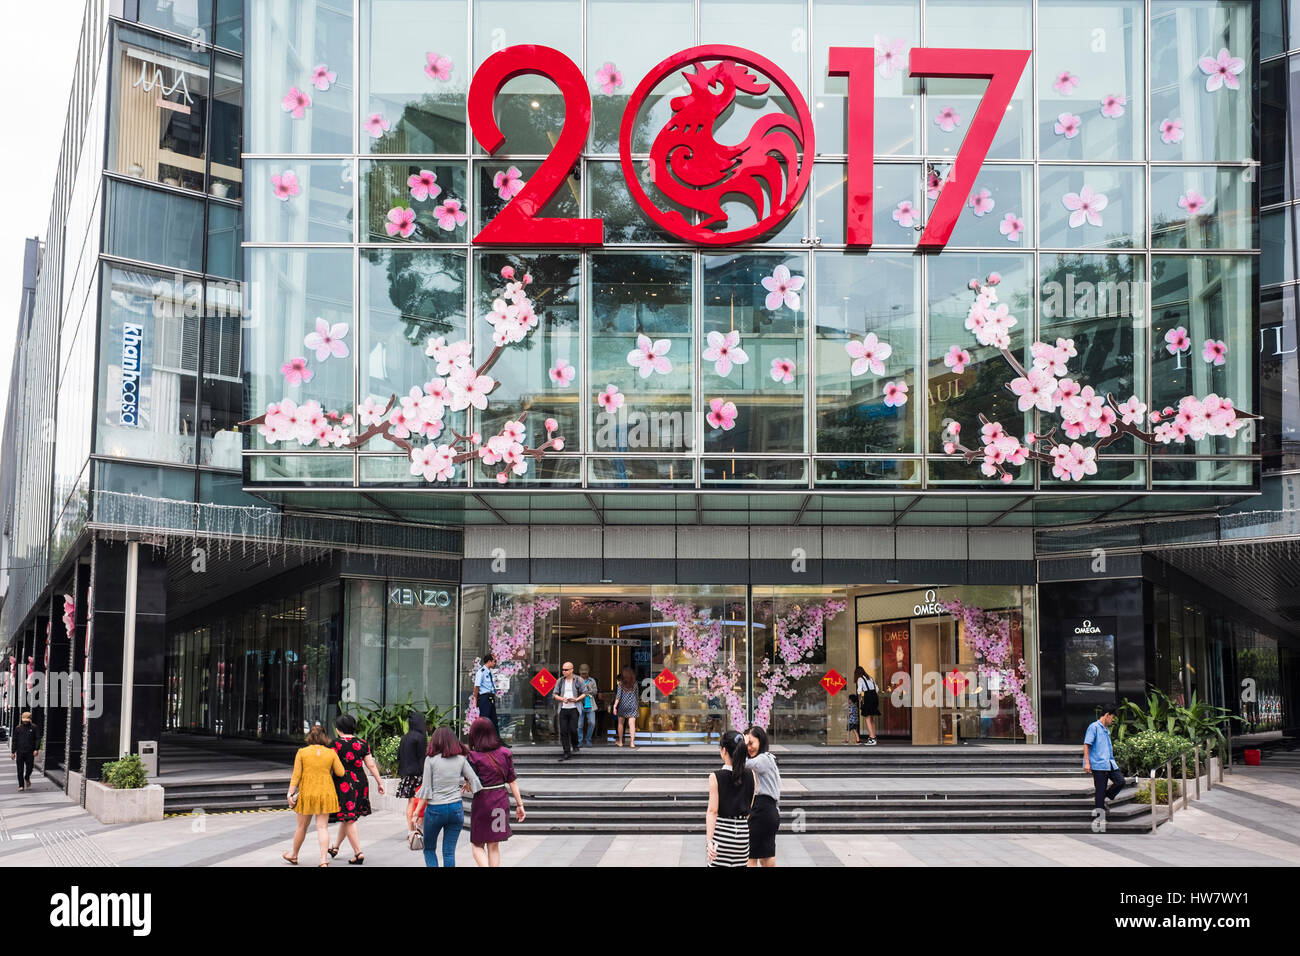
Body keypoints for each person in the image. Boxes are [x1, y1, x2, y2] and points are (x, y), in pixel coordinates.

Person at [415, 726, 481, 867]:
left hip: (435, 809)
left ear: (435, 741)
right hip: (455, 808)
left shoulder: (430, 760)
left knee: (429, 849)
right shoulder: (460, 759)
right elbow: (474, 778)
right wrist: (468, 784)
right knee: (449, 852)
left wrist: (416, 813)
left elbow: (426, 789)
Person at [465, 717, 526, 867]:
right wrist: (520, 805)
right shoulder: (505, 753)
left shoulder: (472, 756)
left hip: (482, 802)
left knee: (477, 845)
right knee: (494, 845)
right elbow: (512, 781)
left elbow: (472, 784)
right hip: (500, 801)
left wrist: (467, 785)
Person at [283, 724, 345, 866]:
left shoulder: (302, 752)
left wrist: (290, 793)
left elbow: (296, 775)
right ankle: (323, 860)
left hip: (307, 793)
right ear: (324, 736)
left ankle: (294, 855)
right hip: (325, 792)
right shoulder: (331, 753)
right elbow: (341, 772)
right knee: (322, 827)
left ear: (310, 736)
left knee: (302, 827)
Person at [327, 713, 385, 864]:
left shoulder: (334, 744)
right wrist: (379, 782)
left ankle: (358, 853)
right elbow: (371, 765)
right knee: (348, 816)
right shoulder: (363, 743)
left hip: (343, 783)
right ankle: (335, 847)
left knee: (349, 818)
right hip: (360, 782)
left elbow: (330, 767)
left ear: (338, 729)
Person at [706, 730, 754, 867]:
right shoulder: (751, 775)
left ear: (724, 750)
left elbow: (712, 812)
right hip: (742, 836)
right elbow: (749, 809)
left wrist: (709, 841)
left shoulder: (715, 777)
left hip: (721, 836)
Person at [744, 726, 781, 867]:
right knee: (766, 857)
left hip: (762, 811)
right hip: (769, 811)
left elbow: (742, 764)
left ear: (761, 741)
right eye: (746, 744)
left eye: (751, 743)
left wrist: (740, 746)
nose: (748, 747)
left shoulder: (763, 759)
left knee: (750, 857)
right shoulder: (769, 758)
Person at [1084, 705, 1126, 815]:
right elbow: (1086, 745)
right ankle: (1099, 817)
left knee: (1120, 781)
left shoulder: (1106, 729)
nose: (1112, 720)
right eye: (1112, 717)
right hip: (1098, 765)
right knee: (1100, 790)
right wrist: (1087, 763)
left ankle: (1104, 796)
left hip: (1109, 763)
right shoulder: (1094, 727)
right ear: (1107, 715)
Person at [396, 710, 429, 848]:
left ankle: (411, 830)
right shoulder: (420, 737)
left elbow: (399, 756)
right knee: (420, 801)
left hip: (406, 774)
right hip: (418, 774)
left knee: (410, 802)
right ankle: (419, 829)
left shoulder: (405, 737)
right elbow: (423, 757)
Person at [552, 661, 587, 760]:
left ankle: (575, 744)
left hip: (574, 708)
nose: (564, 671)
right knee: (563, 731)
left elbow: (585, 693)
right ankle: (566, 752)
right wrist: (562, 699)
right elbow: (554, 694)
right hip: (563, 708)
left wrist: (576, 699)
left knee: (573, 729)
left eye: (566, 670)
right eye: (563, 669)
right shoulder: (560, 681)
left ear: (571, 670)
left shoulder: (578, 680)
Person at [10, 712, 39, 791]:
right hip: (20, 751)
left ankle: (27, 777)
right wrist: (13, 752)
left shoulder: (34, 727)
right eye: (24, 720)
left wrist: (36, 749)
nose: (25, 721)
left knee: (30, 768)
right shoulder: (18, 728)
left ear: (30, 719)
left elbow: (37, 738)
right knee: (20, 769)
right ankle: (21, 785)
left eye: (27, 720)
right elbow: (14, 740)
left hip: (30, 752)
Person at [613, 666, 639, 749]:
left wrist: (615, 706)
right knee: (632, 724)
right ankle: (632, 743)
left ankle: (620, 742)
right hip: (633, 705)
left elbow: (618, 696)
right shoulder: (635, 683)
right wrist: (637, 705)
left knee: (620, 723)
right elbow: (637, 695)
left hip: (623, 705)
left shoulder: (621, 684)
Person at [474, 653, 500, 732]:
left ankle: (495, 738)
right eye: (494, 661)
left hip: (490, 698)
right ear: (489, 661)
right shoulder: (481, 672)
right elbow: (476, 687)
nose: (495, 663)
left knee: (493, 721)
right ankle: (483, 738)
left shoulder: (488, 672)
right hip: (484, 698)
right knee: (484, 721)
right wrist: (476, 699)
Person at [855, 666, 880, 745]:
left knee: (867, 718)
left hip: (868, 696)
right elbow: (877, 689)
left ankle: (872, 738)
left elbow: (859, 691)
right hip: (874, 696)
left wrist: (860, 700)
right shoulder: (870, 677)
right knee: (872, 718)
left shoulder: (860, 679)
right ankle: (874, 737)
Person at [577, 663, 599, 748]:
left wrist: (589, 688)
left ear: (588, 672)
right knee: (579, 725)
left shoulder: (592, 681)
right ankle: (579, 741)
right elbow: (574, 692)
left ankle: (588, 739)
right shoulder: (576, 680)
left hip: (590, 704)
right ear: (579, 672)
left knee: (592, 723)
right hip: (579, 705)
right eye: (582, 673)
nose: (583, 675)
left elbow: (595, 692)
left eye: (585, 673)